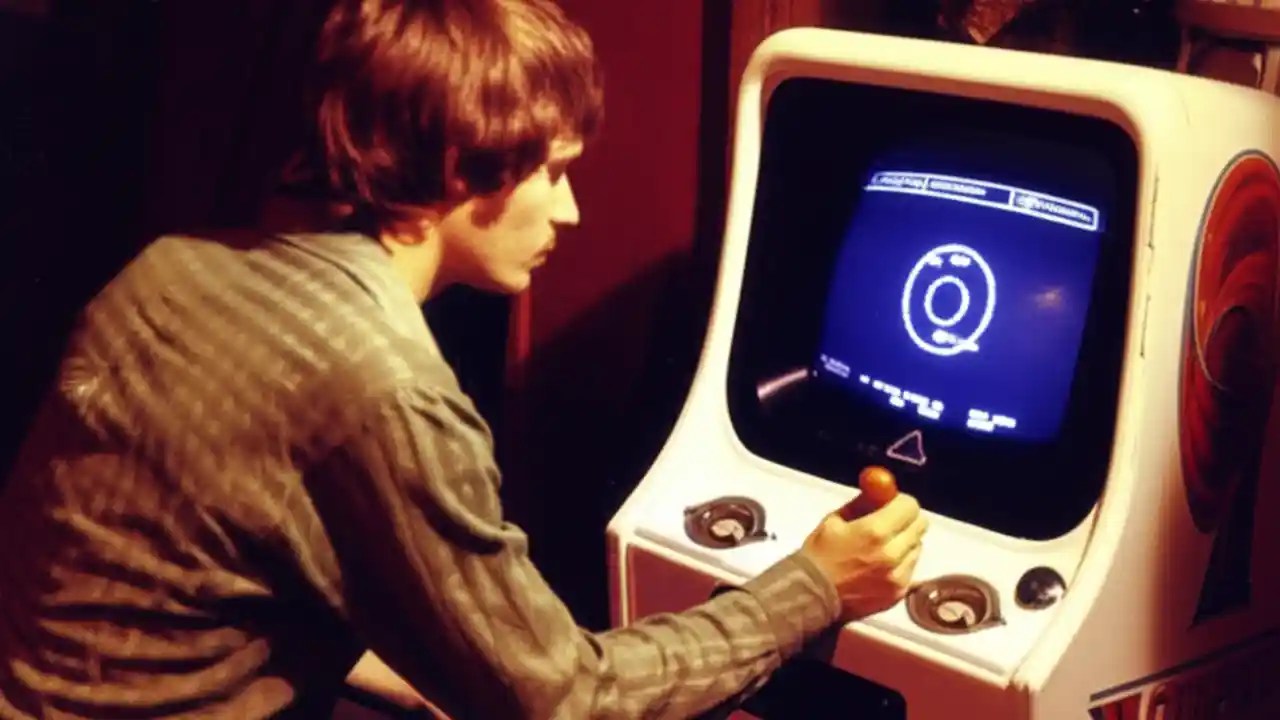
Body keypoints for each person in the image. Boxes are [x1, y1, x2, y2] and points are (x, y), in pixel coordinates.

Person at [0, 0, 928, 718]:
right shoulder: (378, 385)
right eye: (553, 171)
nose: (566, 212)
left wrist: (437, 668)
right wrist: (813, 586)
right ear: (458, 166)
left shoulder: (173, 267)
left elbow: (203, 598)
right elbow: (568, 700)